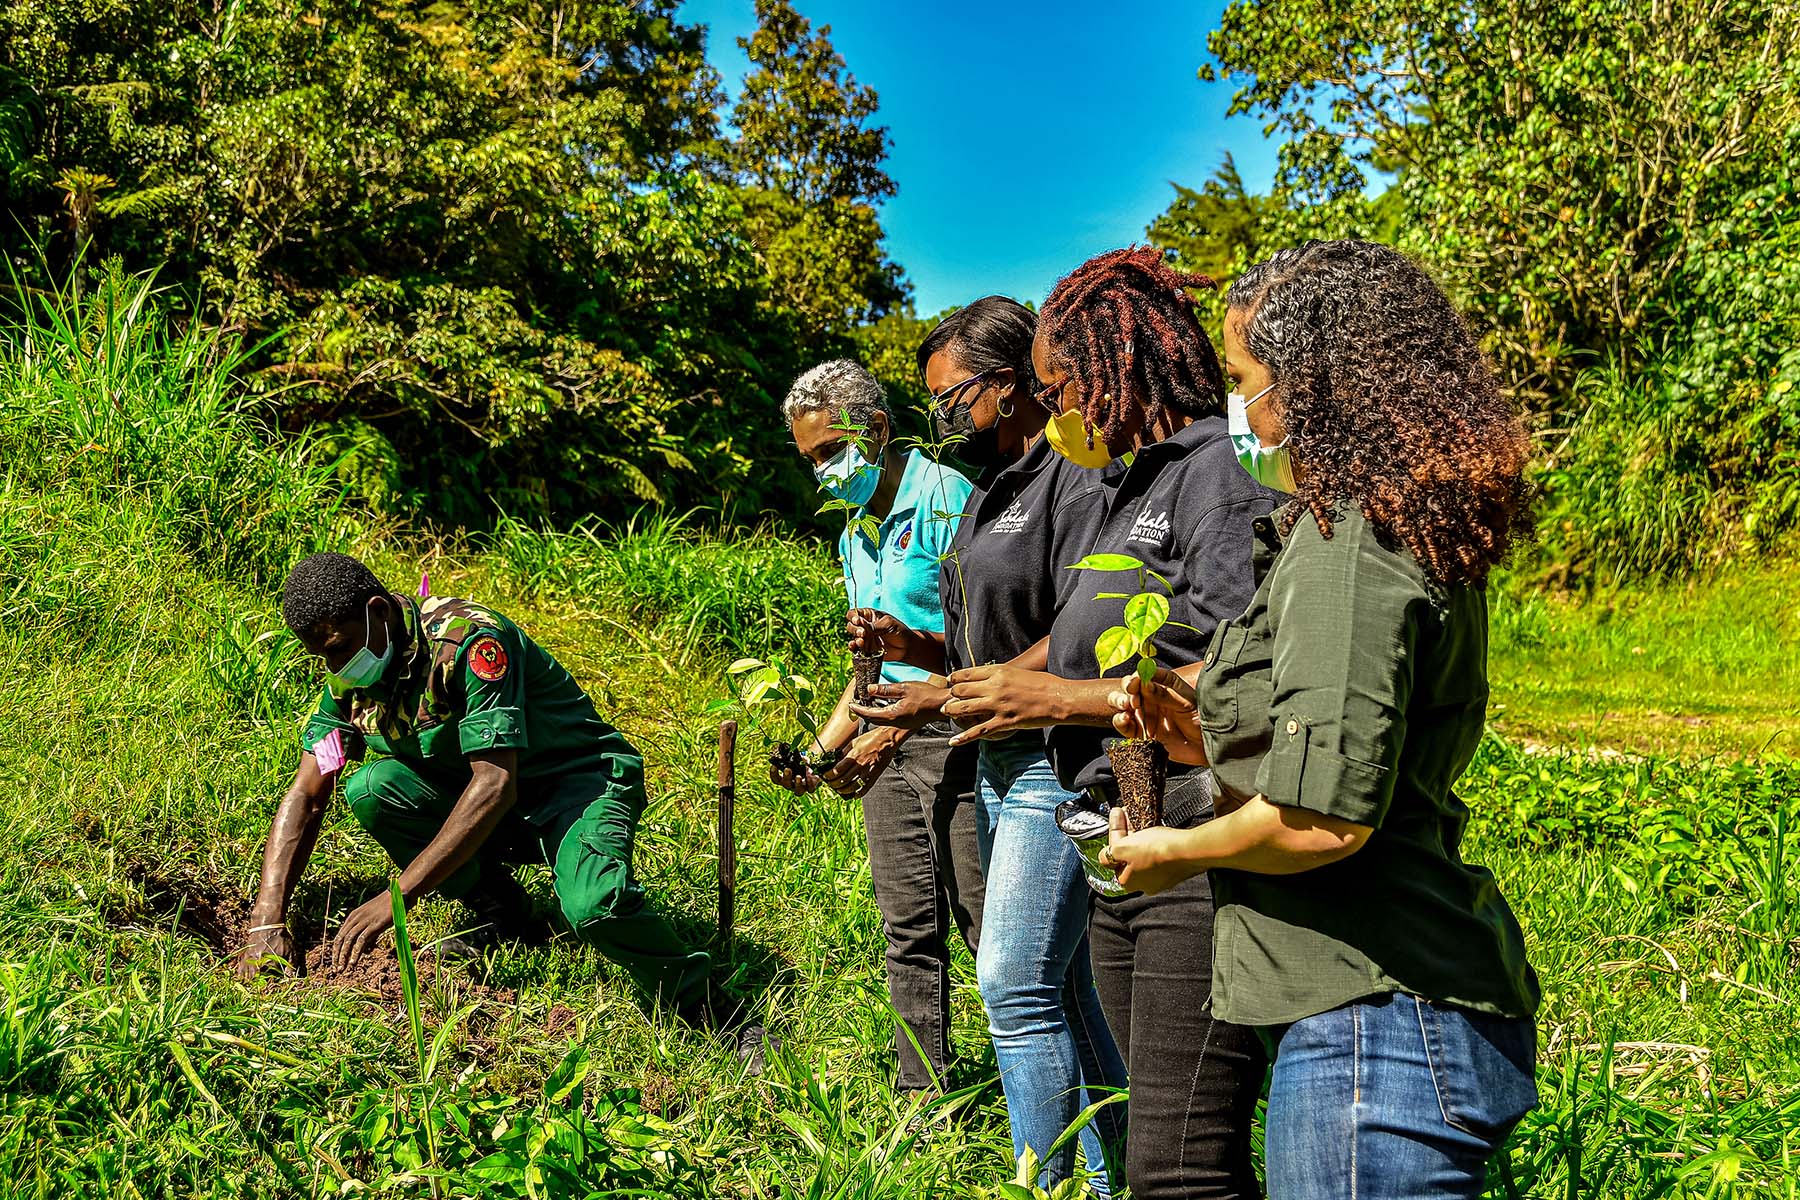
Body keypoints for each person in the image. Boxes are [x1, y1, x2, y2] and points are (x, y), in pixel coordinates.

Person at [1103, 240, 1540, 1198]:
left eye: (1242, 381)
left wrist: (1173, 852)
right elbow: (1345, 747)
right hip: (1371, 1018)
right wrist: (1205, 733)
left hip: (1379, 1024)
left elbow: (1322, 820)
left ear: (1312, 386)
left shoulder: (1353, 545)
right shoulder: (1356, 526)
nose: (1237, 411)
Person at [937, 248, 1273, 1198]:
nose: (1056, 413)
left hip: (1194, 835)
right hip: (1122, 833)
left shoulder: (1216, 473)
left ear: (1114, 369)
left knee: (1180, 1161)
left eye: (1059, 389)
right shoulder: (1133, 486)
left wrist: (1059, 700)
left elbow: (1237, 673)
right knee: (1141, 1150)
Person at [845, 298, 1127, 1191]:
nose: (941, 416)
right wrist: (915, 648)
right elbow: (983, 645)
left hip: (1056, 756)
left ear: (1008, 384)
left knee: (1011, 983)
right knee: (1064, 988)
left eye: (951, 396)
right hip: (997, 758)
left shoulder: (1075, 475)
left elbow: (1081, 627)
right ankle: (1112, 1178)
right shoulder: (990, 488)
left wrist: (957, 691)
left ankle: (1040, 1185)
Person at [233, 553, 723, 1025]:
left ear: (378, 612)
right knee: (374, 788)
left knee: (594, 905)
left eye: (339, 648)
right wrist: (266, 920)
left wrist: (397, 897)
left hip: (575, 788)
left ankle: (713, 1009)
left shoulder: (469, 644)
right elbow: (309, 791)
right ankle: (505, 914)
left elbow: (495, 783)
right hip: (492, 805)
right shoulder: (350, 677)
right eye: (321, 656)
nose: (334, 665)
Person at [769, 359, 986, 1096]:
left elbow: (987, 643)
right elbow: (870, 667)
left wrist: (902, 722)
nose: (823, 472)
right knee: (908, 927)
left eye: (832, 451)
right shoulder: (853, 533)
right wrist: (819, 752)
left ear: (879, 430)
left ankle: (1051, 1098)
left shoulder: (948, 502)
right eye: (810, 460)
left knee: (985, 925)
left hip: (955, 728)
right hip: (882, 737)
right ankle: (921, 1101)